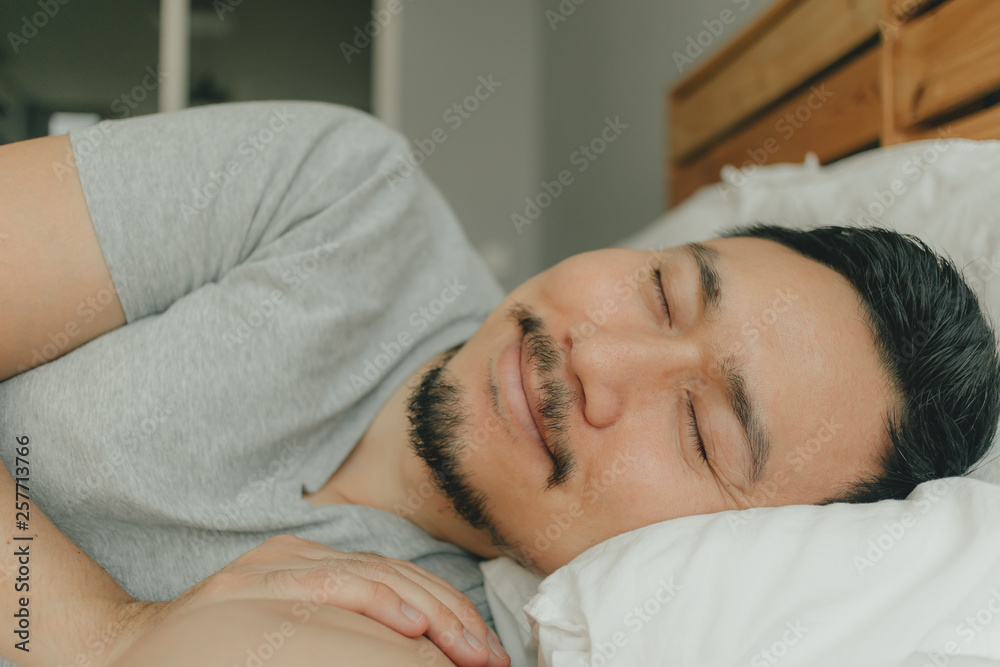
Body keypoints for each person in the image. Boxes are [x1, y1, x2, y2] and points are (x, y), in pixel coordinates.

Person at [0, 100, 996, 667]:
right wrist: (99, 629)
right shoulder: (341, 196)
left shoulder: (443, 638)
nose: (597, 362)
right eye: (662, 290)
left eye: (698, 430)